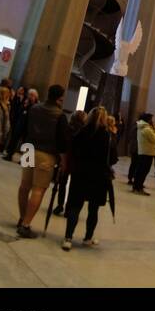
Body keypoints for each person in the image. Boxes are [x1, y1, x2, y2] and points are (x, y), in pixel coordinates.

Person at [17, 84, 70, 238]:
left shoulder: (34, 108)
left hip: (28, 149)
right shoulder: (59, 116)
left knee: (24, 186)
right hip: (45, 154)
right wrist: (64, 161)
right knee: (38, 189)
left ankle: (22, 218)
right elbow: (62, 142)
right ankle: (26, 224)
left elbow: (24, 127)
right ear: (60, 97)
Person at [62, 106, 115, 250]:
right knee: (93, 209)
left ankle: (68, 237)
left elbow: (72, 150)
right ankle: (87, 237)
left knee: (75, 206)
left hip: (80, 173)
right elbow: (113, 158)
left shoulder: (81, 132)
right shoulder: (106, 136)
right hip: (98, 176)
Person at [132, 112, 155, 193]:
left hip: (145, 152)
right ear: (148, 119)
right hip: (147, 153)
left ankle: (137, 187)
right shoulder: (146, 129)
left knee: (141, 171)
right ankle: (138, 187)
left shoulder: (143, 127)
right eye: (151, 119)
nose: (153, 121)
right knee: (143, 171)